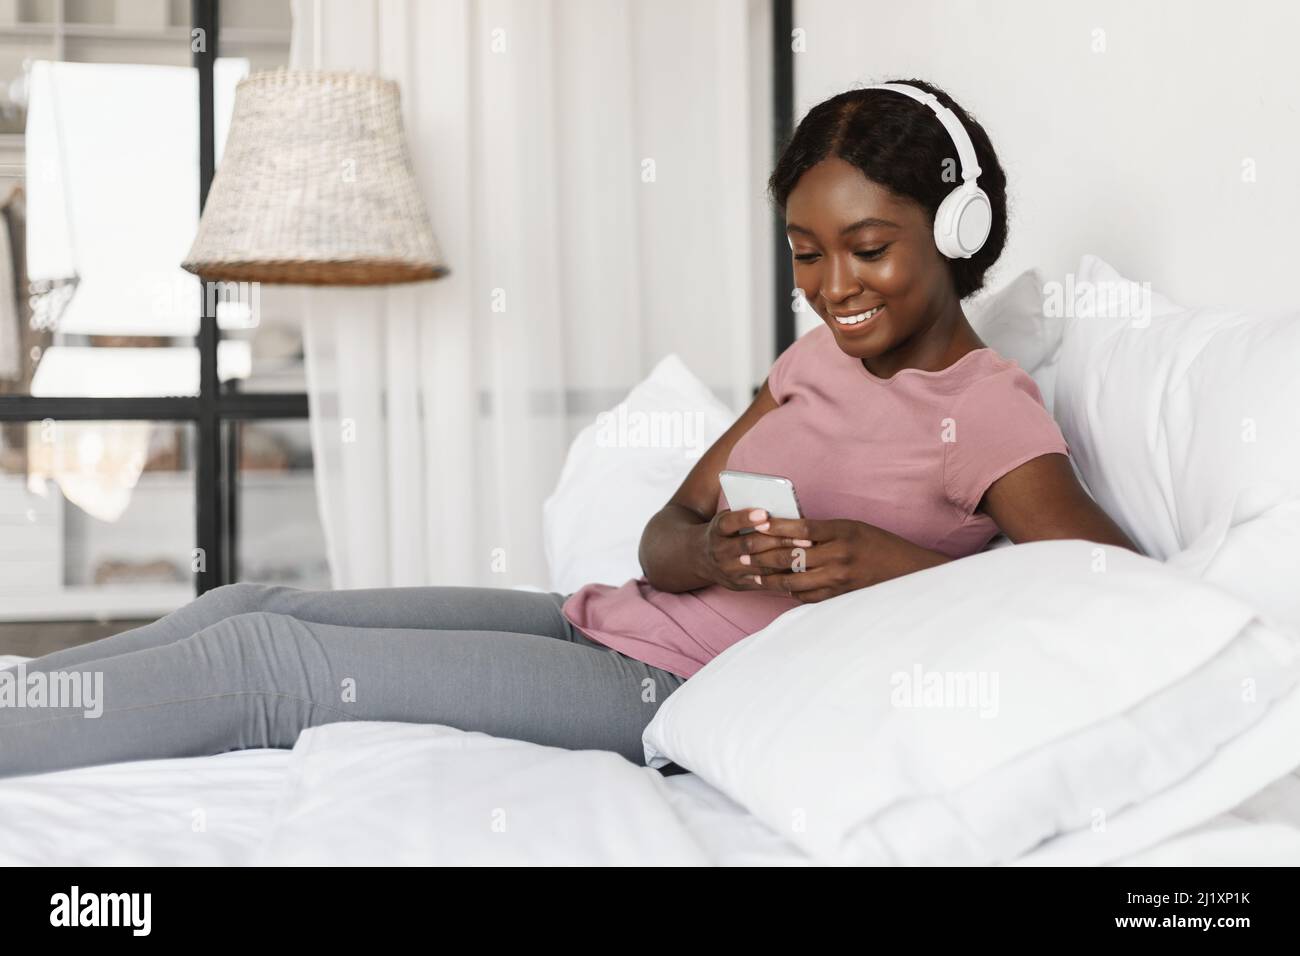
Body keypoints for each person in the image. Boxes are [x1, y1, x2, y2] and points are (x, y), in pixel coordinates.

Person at [0, 79, 1136, 780]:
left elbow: (1103, 588)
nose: (833, 282)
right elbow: (667, 526)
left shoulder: (982, 406)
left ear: (957, 227)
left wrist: (897, 571)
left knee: (270, 668)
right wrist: (711, 549)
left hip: (673, 692)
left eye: (869, 243)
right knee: (250, 605)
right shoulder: (807, 362)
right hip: (608, 614)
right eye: (805, 249)